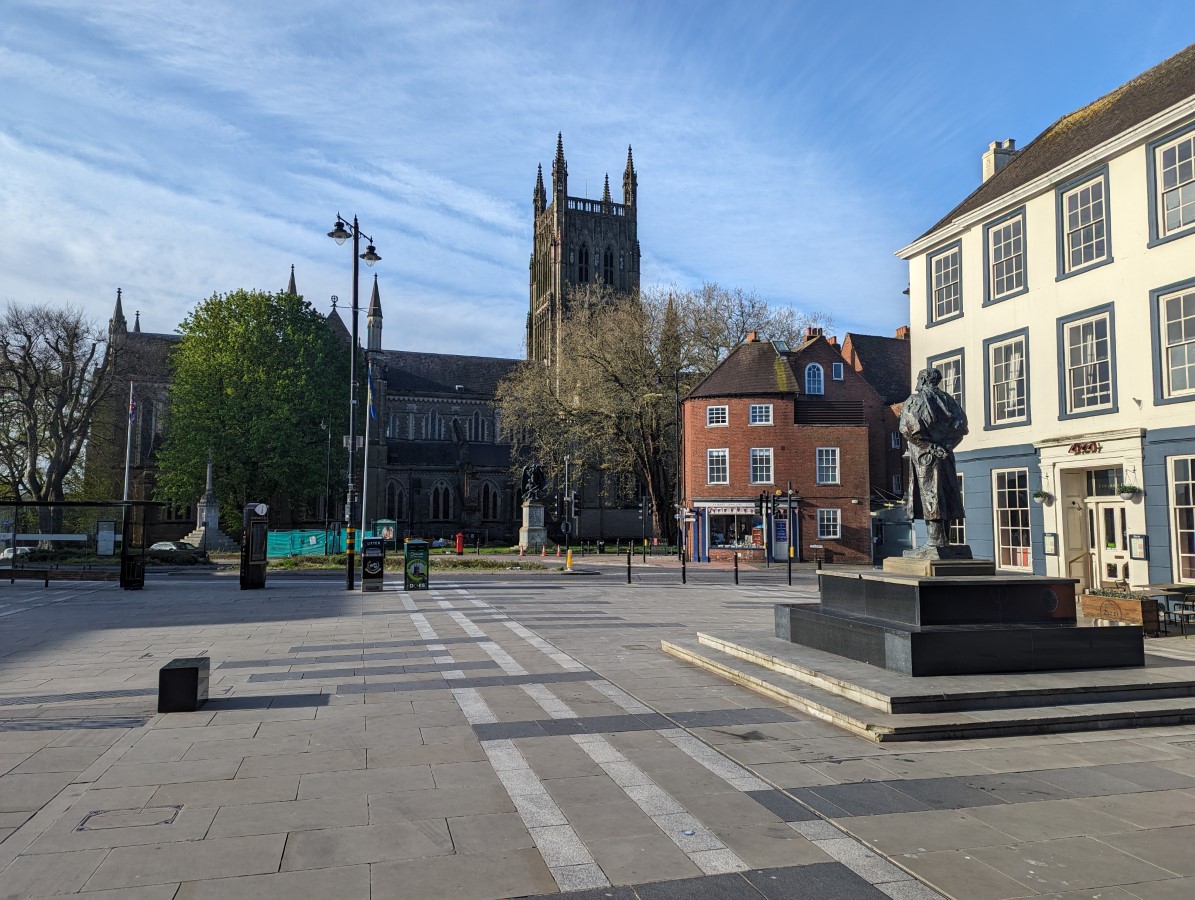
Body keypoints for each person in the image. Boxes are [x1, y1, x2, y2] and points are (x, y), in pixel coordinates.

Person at [899, 367, 968, 548]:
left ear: (922, 380)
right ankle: (945, 539)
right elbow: (961, 428)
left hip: (924, 456)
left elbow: (906, 429)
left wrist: (930, 447)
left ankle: (935, 540)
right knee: (946, 493)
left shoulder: (915, 400)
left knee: (931, 494)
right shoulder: (949, 401)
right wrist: (946, 446)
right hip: (945, 454)